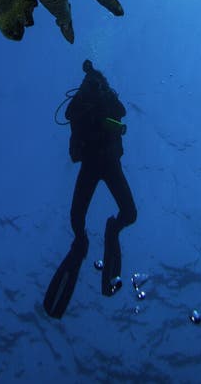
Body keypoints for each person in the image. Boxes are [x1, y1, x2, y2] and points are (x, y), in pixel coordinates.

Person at [43, 59, 137, 319]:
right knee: (76, 219)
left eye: (98, 82)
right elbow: (68, 114)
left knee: (129, 214)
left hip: (110, 162)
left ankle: (112, 230)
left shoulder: (109, 100)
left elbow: (122, 111)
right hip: (90, 163)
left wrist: (105, 92)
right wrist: (87, 93)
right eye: (89, 82)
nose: (93, 84)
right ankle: (81, 243)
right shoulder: (80, 102)